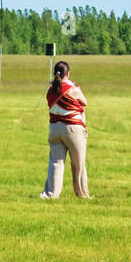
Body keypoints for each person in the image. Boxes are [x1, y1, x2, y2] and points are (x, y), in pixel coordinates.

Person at [41, 60, 91, 199]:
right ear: (67, 73)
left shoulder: (50, 89)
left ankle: (50, 194)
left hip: (54, 129)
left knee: (55, 164)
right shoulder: (72, 88)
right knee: (78, 164)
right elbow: (85, 102)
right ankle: (82, 194)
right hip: (73, 129)